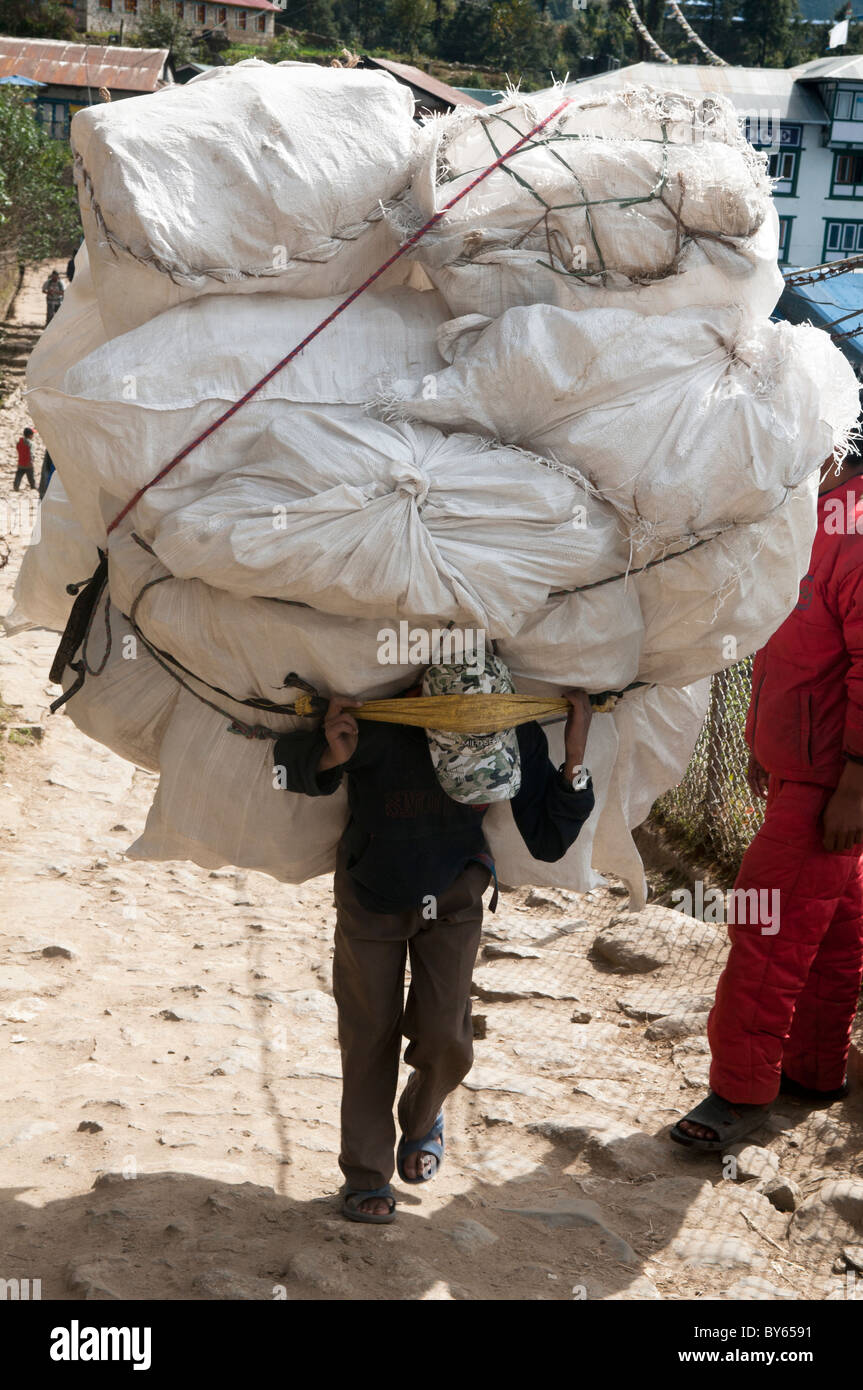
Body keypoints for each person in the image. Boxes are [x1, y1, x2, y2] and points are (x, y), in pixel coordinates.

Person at [273, 653, 595, 1222]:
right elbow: (285, 764)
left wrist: (573, 758)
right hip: (371, 894)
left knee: (448, 1036)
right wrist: (329, 754)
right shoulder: (381, 725)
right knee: (368, 1034)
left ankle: (422, 1118)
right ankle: (367, 1175)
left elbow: (547, 839)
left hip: (454, 893)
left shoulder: (512, 729)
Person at [672, 451, 863, 1152]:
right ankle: (813, 1071)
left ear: (834, 448)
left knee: (766, 930)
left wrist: (855, 784)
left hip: (830, 787)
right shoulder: (814, 518)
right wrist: (762, 744)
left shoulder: (855, 529)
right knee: (834, 932)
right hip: (807, 773)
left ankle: (739, 1093)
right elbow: (787, 641)